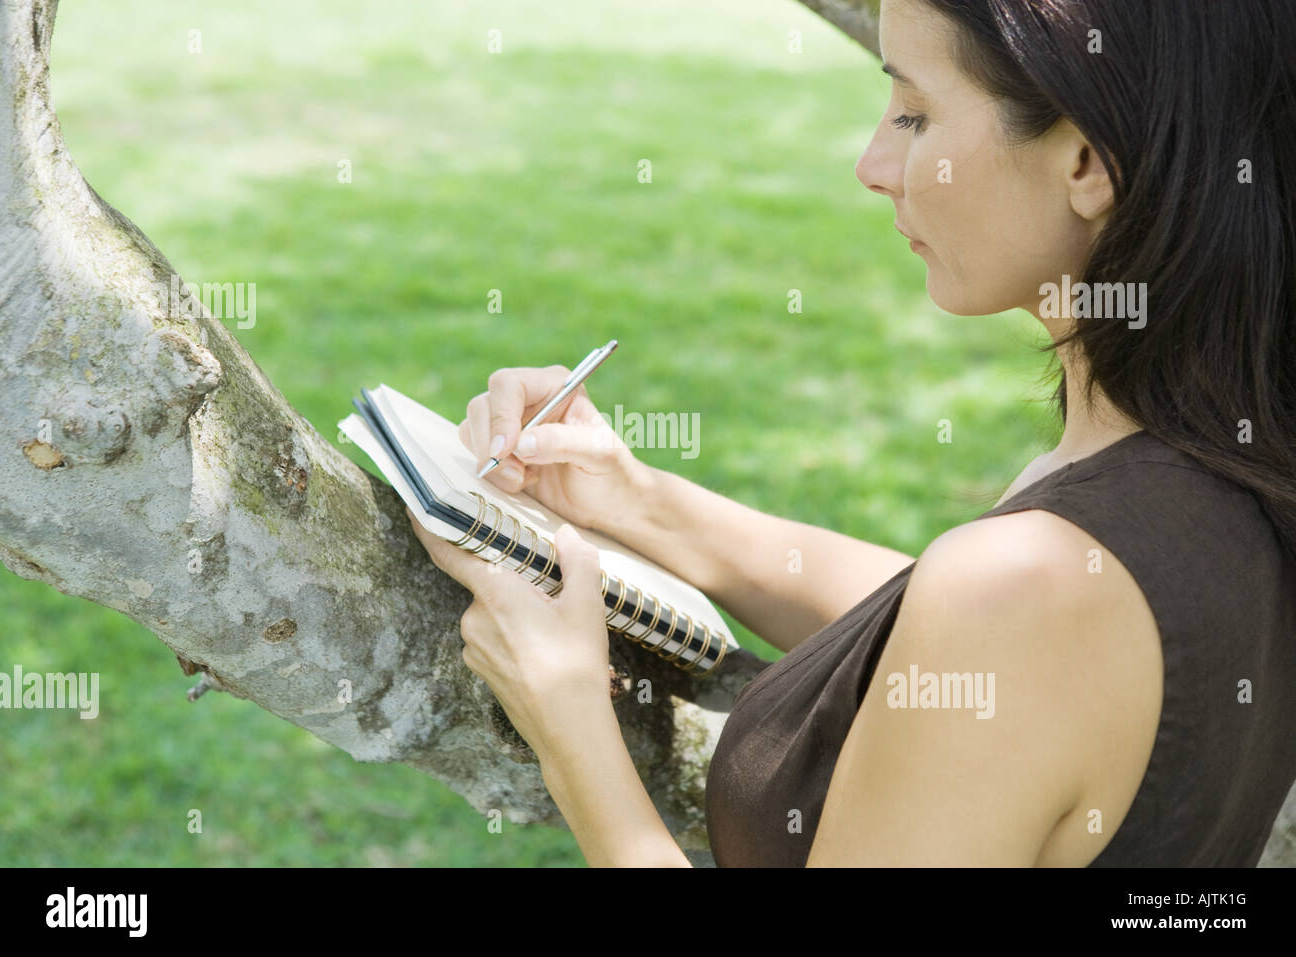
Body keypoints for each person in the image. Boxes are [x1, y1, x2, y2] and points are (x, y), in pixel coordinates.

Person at [408, 0, 1296, 866]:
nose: (873, 164)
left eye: (914, 113)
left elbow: (993, 628)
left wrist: (571, 724)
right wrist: (637, 501)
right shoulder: (1209, 470)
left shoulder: (1029, 589)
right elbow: (950, 639)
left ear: (1086, 160)